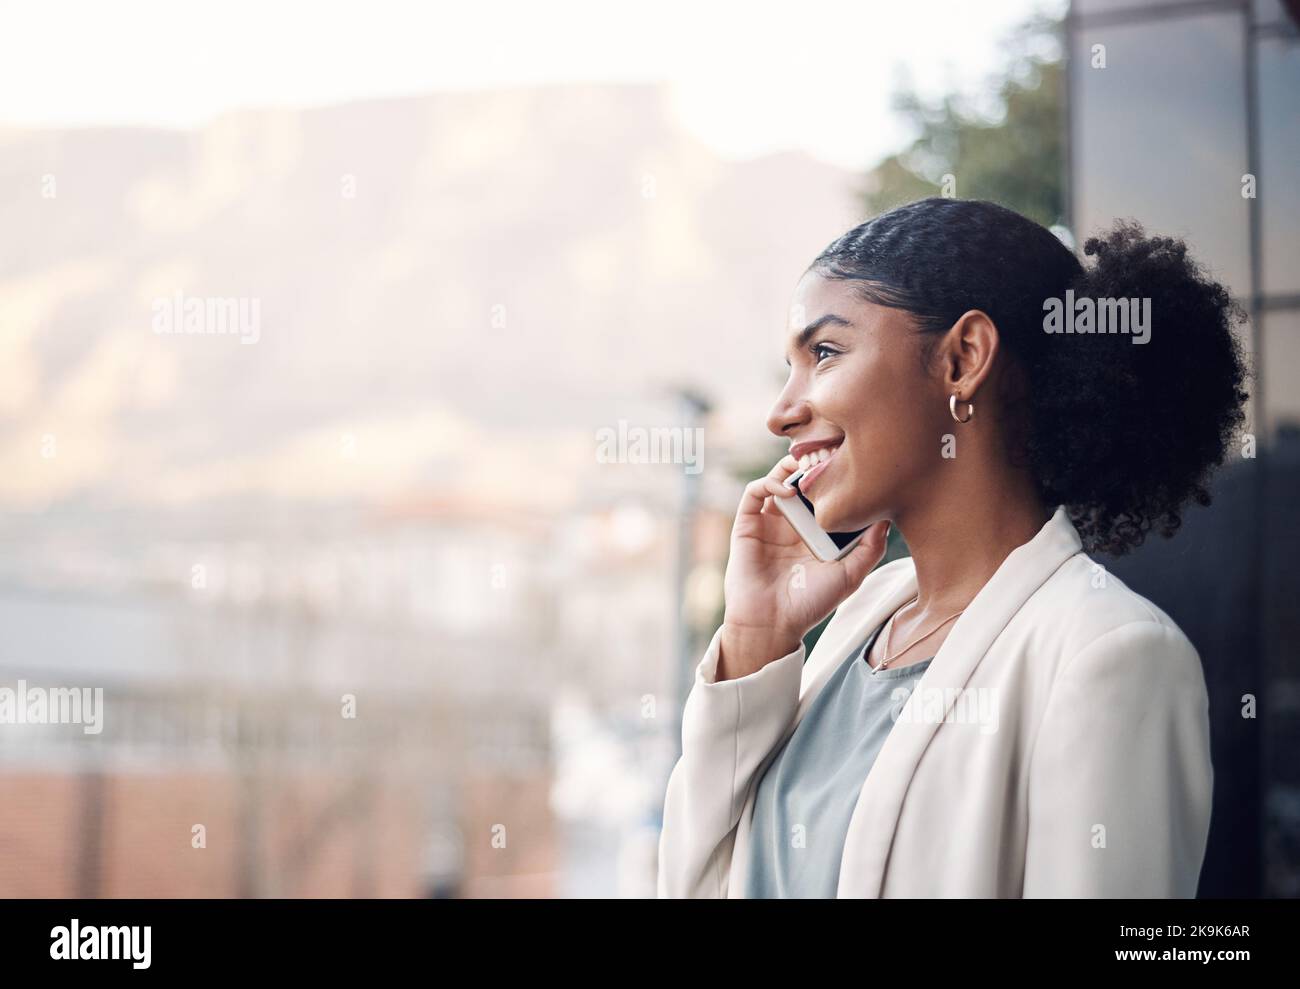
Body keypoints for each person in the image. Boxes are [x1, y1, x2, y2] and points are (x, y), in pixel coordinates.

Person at [657, 197, 1251, 898]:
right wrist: (756, 635)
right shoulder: (859, 618)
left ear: (963, 358)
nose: (781, 410)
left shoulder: (1108, 653)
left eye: (824, 352)